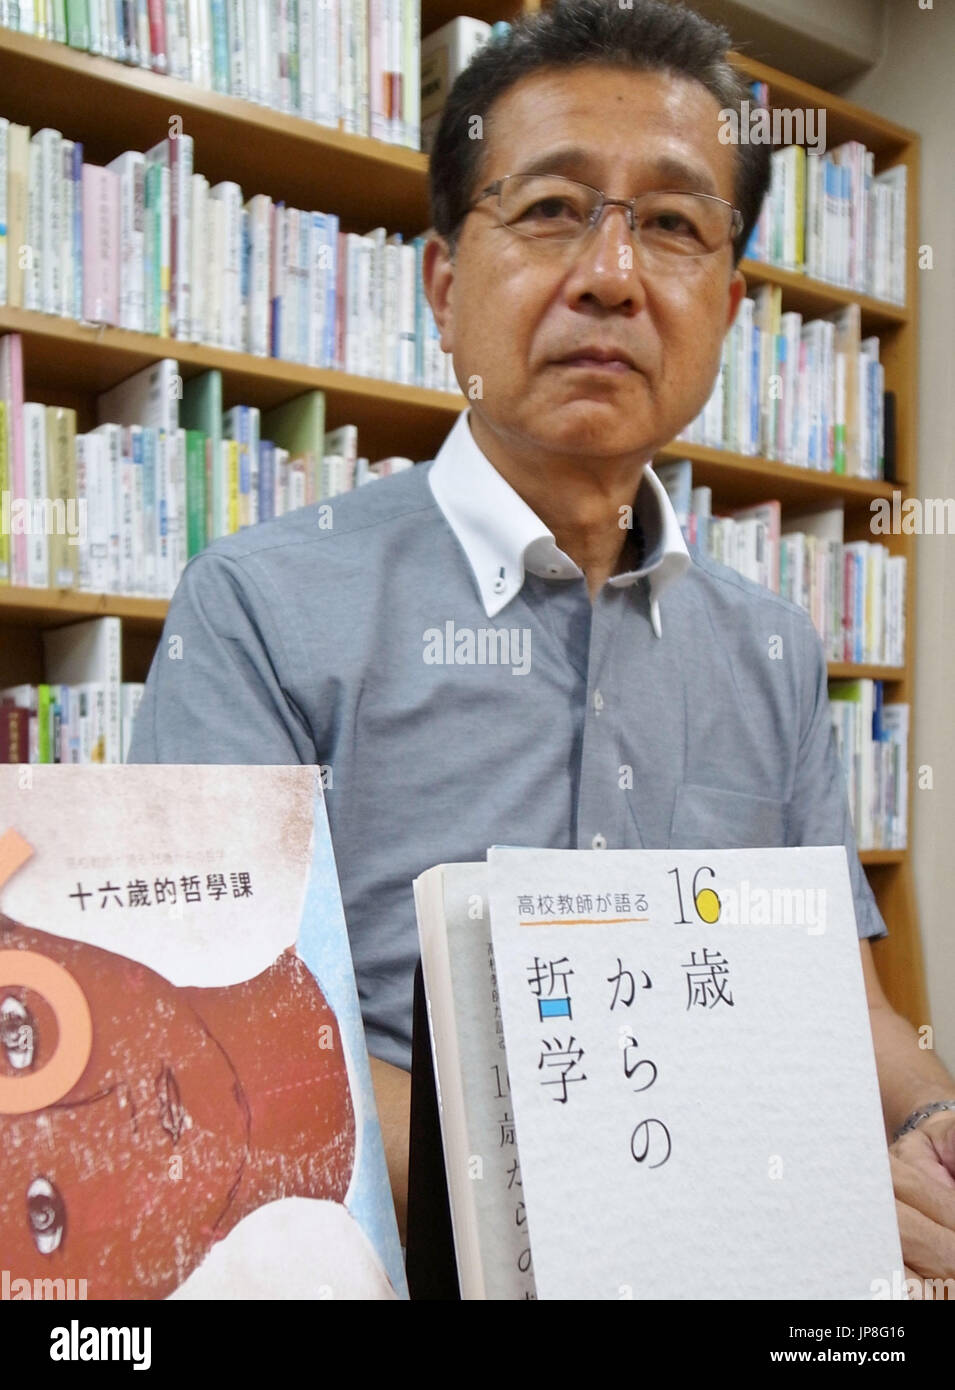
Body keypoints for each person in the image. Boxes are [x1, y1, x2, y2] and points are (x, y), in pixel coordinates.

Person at [127, 0, 955, 1289]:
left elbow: (836, 1003)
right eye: (554, 208)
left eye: (674, 224)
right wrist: (634, 1204)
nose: (612, 275)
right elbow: (231, 1049)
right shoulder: (256, 608)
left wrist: (928, 1127)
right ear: (447, 287)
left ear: (730, 307)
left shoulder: (777, 648)